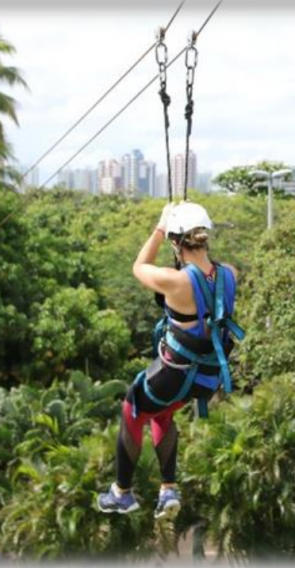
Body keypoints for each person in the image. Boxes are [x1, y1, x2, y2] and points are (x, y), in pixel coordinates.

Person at [98, 202, 244, 517]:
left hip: (175, 372)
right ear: (205, 238)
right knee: (162, 415)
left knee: (132, 406)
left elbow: (138, 266)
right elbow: (205, 286)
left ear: (177, 242)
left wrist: (160, 226)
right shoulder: (231, 274)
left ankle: (121, 491)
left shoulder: (174, 281)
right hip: (207, 377)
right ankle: (168, 490)